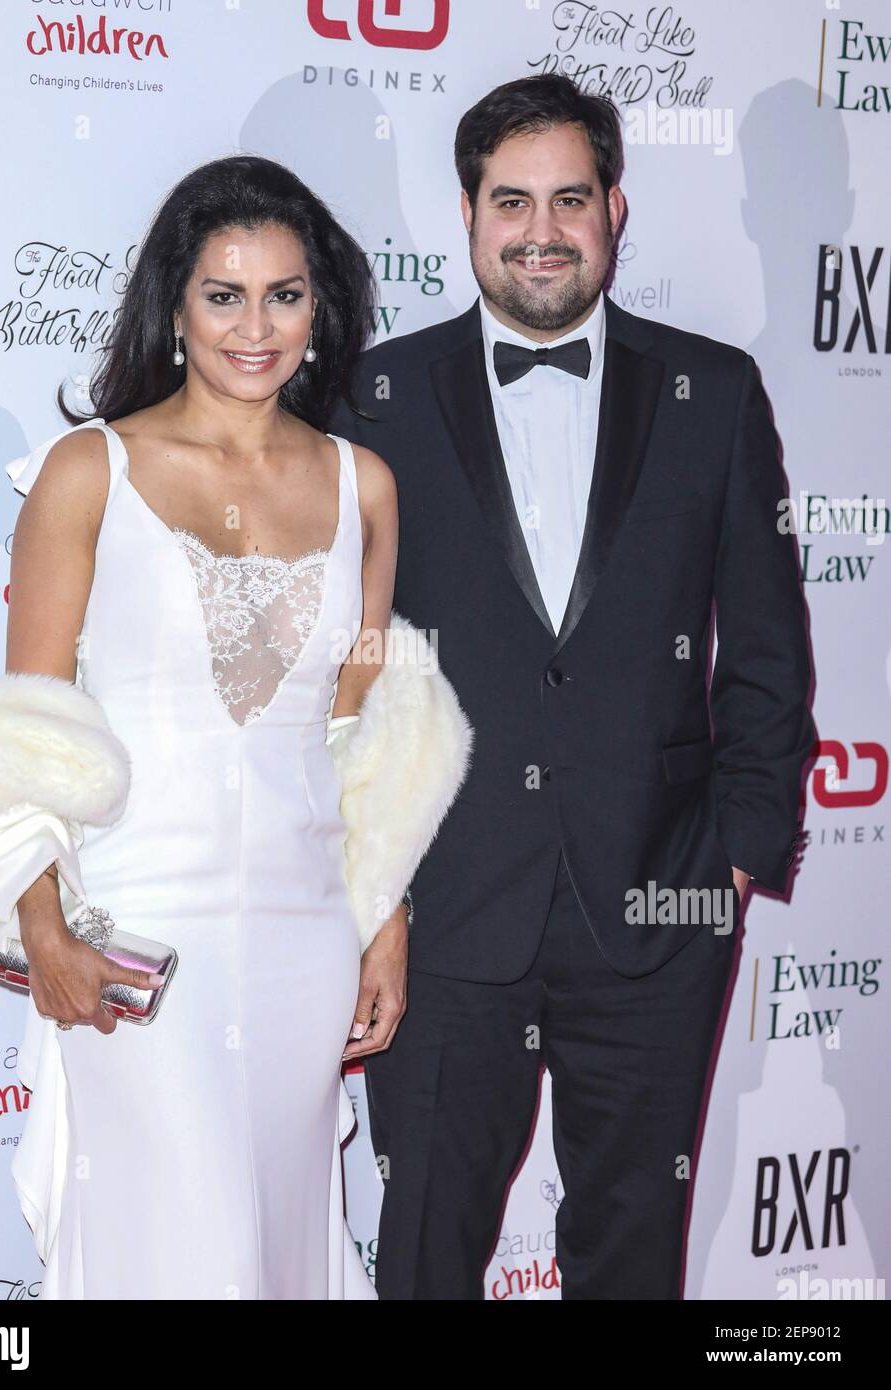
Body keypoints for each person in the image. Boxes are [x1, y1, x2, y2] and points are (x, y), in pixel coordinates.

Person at [0, 155, 472, 1299]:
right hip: (138, 943)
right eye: (223, 294)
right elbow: (29, 725)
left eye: (283, 294)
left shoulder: (363, 484)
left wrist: (385, 920)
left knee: (268, 1249)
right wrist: (41, 923)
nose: (254, 327)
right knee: (178, 1251)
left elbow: (355, 733)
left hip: (304, 943)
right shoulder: (88, 470)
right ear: (174, 304)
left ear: (321, 307)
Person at [330, 74, 817, 1300]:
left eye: (567, 198)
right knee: (425, 1254)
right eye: (510, 201)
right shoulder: (372, 400)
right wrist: (365, 882)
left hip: (661, 909)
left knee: (631, 1260)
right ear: (465, 213)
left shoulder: (712, 394)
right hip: (439, 919)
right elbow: (339, 660)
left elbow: (764, 645)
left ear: (613, 208)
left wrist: (740, 852)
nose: (539, 229)